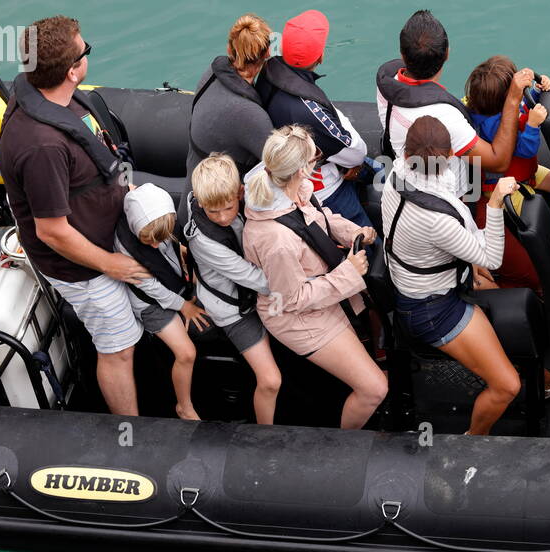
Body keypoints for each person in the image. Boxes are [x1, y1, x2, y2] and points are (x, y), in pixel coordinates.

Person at [382, 117, 550, 435]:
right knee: (506, 385)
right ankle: (474, 438)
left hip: (425, 276)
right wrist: (497, 202)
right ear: (449, 156)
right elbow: (490, 256)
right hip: (432, 307)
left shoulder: (396, 174)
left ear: (407, 155)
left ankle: (541, 378)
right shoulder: (438, 215)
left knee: (503, 298)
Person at [0, 15, 147, 415]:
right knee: (118, 349)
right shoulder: (41, 146)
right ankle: (128, 430)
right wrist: (112, 265)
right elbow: (52, 231)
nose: (87, 54)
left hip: (105, 229)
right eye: (86, 51)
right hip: (86, 269)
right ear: (73, 70)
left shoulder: (50, 96)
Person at [243, 126, 386, 429]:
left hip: (326, 287)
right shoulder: (276, 241)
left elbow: (319, 221)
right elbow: (292, 299)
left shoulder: (289, 191)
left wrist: (352, 232)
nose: (318, 162)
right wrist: (349, 273)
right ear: (300, 169)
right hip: (301, 318)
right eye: (315, 158)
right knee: (374, 389)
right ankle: (342, 443)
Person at [375, 9, 529, 198]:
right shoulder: (445, 117)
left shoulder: (387, 83)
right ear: (447, 53)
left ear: (403, 54)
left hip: (408, 176)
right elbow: (499, 161)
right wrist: (513, 99)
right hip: (449, 197)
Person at [185, 153, 283, 425]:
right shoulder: (204, 242)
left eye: (228, 207)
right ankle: (265, 434)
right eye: (212, 211)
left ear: (240, 192)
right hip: (235, 311)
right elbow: (255, 279)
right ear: (200, 201)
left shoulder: (245, 193)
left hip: (256, 295)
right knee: (271, 380)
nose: (223, 217)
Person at [258, 9, 373, 229]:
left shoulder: (267, 70)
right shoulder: (308, 110)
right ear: (320, 57)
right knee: (369, 244)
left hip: (285, 171)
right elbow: (356, 152)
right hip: (324, 190)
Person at [463, 55, 550, 292]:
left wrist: (537, 91)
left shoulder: (504, 105)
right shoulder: (492, 125)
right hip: (507, 185)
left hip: (527, 174)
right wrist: (533, 126)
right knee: (530, 221)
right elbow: (526, 149)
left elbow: (522, 106)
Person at [113, 183, 209, 420]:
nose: (155, 245)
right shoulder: (125, 247)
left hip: (174, 285)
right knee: (186, 353)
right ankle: (184, 407)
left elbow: (174, 251)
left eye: (160, 239)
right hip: (151, 304)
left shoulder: (163, 221)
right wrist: (184, 306)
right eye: (149, 241)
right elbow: (153, 289)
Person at [187, 14, 276, 181]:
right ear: (267, 53)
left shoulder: (211, 75)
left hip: (195, 187)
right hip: (220, 202)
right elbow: (281, 168)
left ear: (229, 48)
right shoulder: (249, 114)